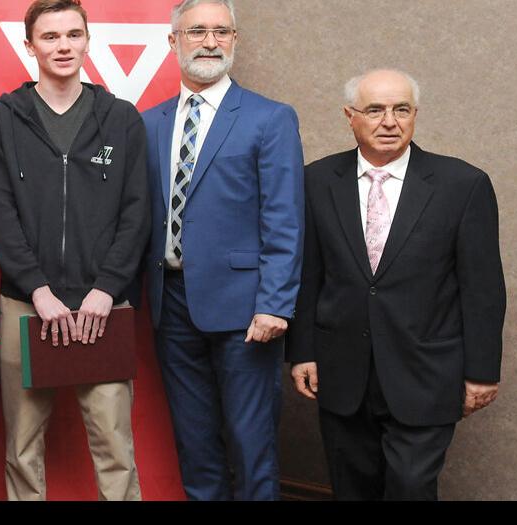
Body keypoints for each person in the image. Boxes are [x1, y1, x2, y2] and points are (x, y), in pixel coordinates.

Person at [287, 69, 505, 500]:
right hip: (343, 372)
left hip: (426, 374)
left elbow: (482, 288)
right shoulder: (315, 181)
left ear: (415, 115)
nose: (390, 121)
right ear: (350, 117)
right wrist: (302, 351)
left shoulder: (463, 185)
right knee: (353, 489)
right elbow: (307, 274)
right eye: (375, 110)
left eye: (401, 109)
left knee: (410, 487)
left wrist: (482, 372)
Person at [0, 0, 148, 501]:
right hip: (26, 307)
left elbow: (136, 213)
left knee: (116, 445)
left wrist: (106, 290)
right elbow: (1, 214)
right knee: (23, 447)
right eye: (50, 37)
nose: (63, 46)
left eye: (73, 35)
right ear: (29, 46)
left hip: (104, 307)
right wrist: (38, 290)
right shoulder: (3, 119)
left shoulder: (121, 119)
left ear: (87, 42)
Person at [140, 0, 304, 501]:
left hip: (245, 311)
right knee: (195, 445)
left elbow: (285, 217)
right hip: (170, 305)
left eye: (221, 31)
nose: (210, 41)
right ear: (173, 42)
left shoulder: (269, 118)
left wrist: (275, 303)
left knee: (251, 444)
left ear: (234, 40)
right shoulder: (149, 123)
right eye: (197, 32)